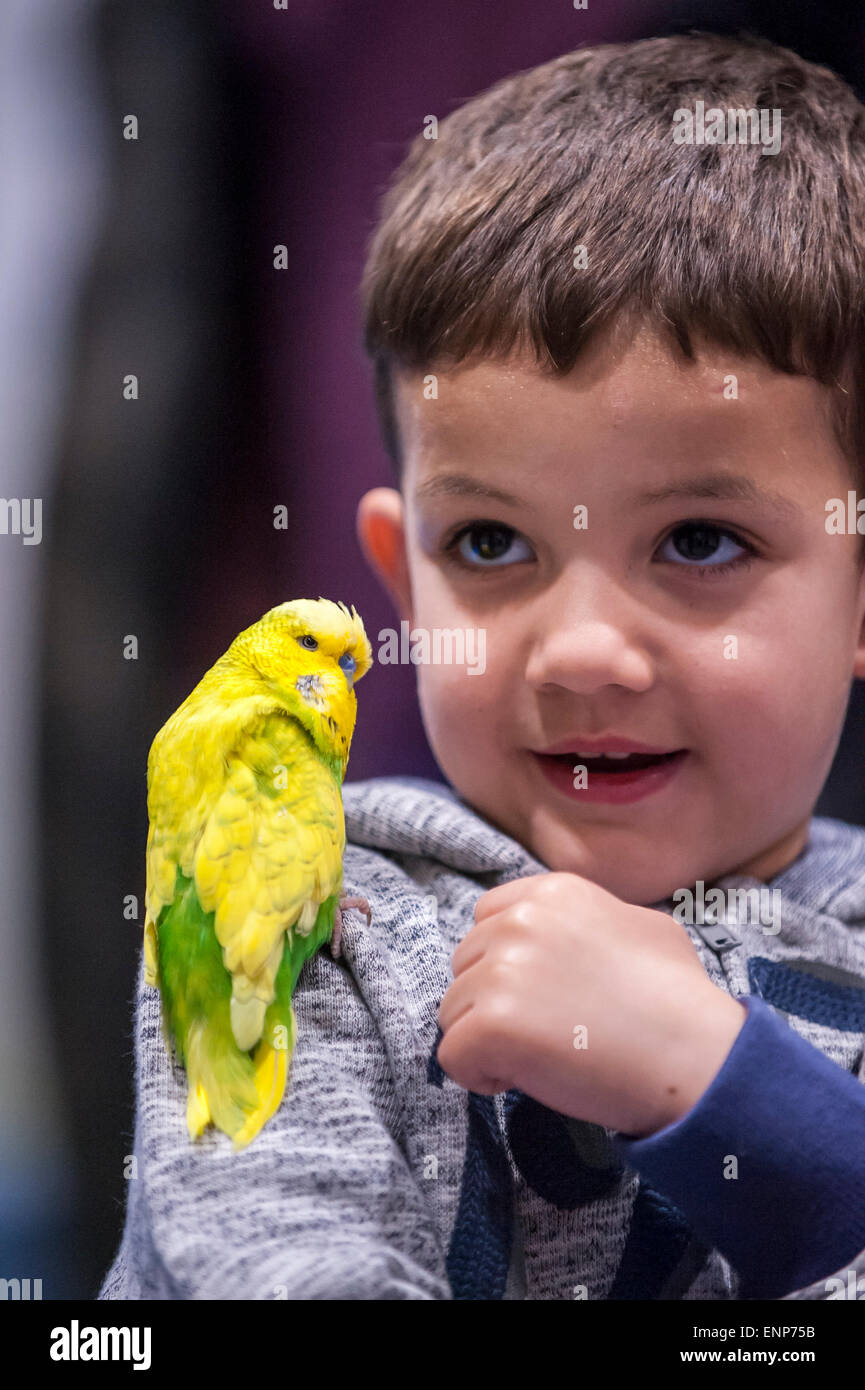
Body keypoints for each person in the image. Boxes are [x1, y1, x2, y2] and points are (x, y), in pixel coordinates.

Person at [101, 31, 865, 1300]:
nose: (578, 652)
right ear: (403, 582)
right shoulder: (324, 907)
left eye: (698, 540)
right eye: (490, 542)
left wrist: (735, 1100)